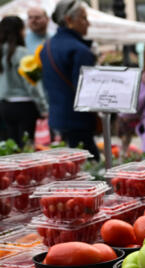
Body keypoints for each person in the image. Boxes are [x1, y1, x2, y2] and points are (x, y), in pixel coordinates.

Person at [40, 0, 100, 160]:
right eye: (83, 18)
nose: (88, 23)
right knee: (92, 169)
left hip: (56, 118)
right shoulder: (80, 50)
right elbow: (85, 92)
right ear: (69, 20)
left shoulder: (46, 46)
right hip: (79, 121)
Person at [0, 16, 46, 147]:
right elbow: (32, 84)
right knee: (26, 146)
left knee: (12, 147)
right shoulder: (23, 53)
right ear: (19, 31)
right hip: (25, 105)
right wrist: (43, 107)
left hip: (4, 106)